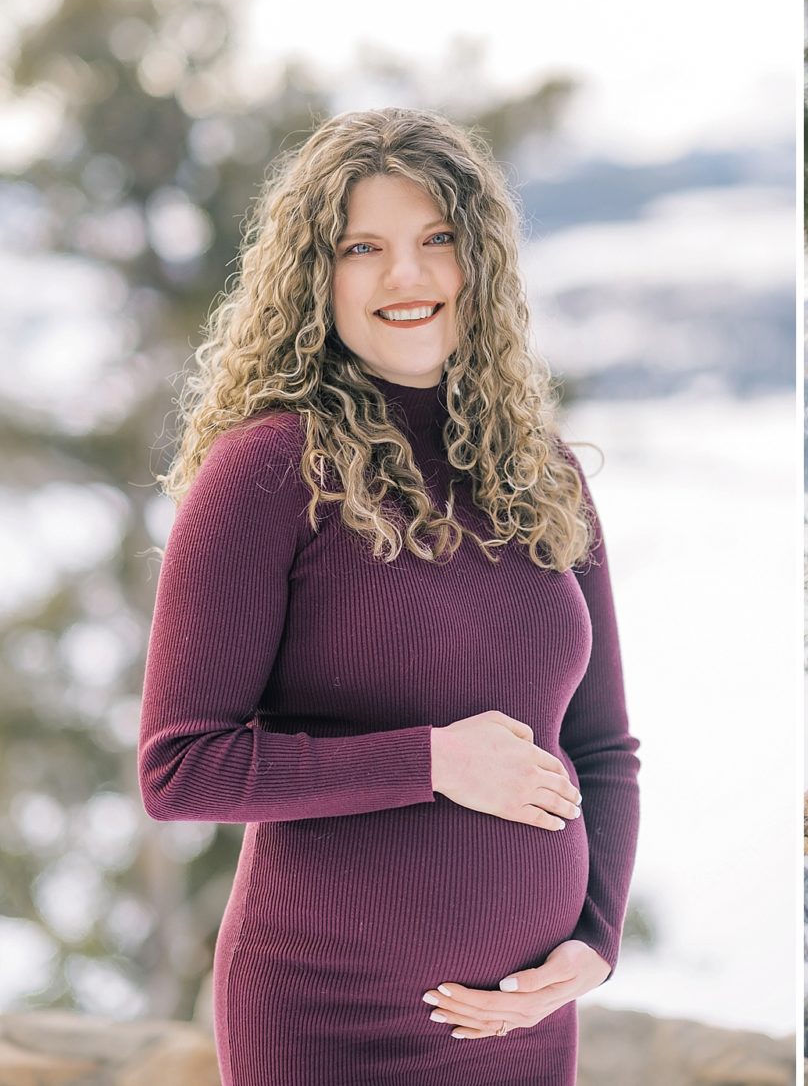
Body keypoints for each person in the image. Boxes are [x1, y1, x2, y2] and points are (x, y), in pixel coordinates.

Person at [138, 107, 641, 1084]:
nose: (404, 276)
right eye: (363, 247)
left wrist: (593, 939)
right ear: (314, 277)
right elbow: (180, 767)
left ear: (477, 266)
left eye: (434, 240)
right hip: (329, 1018)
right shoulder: (267, 470)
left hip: (525, 1021)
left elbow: (600, 744)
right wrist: (431, 760)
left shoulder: (542, 474)